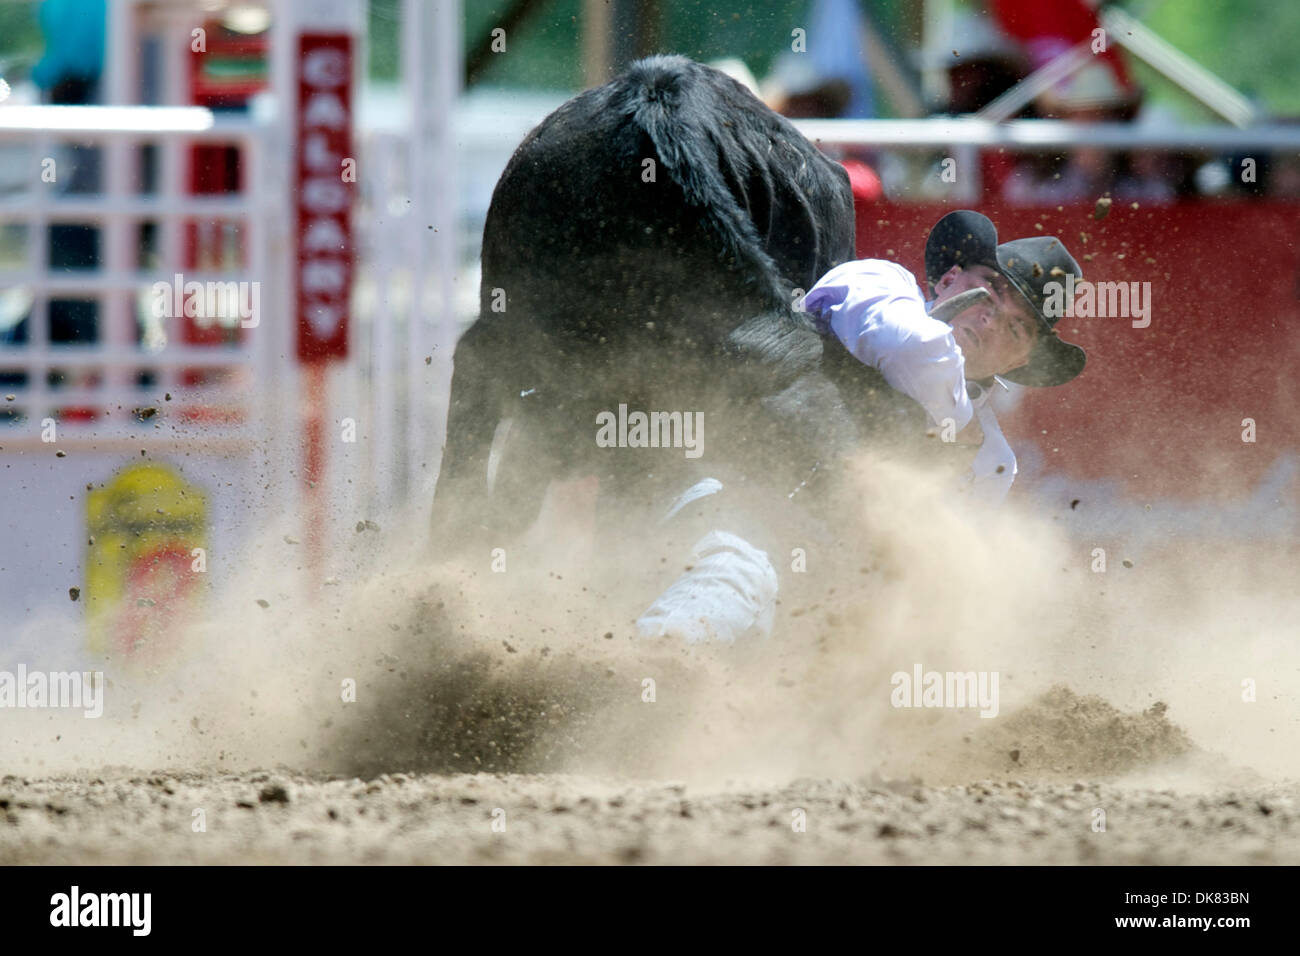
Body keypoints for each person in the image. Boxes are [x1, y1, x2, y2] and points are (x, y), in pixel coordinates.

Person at [636, 210, 1089, 645]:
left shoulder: (995, 462)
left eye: (1015, 329)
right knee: (739, 570)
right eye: (988, 291)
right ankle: (644, 671)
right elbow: (911, 345)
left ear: (1021, 363)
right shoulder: (878, 281)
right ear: (949, 278)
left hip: (814, 601)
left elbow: (936, 575)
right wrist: (963, 430)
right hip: (726, 501)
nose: (989, 318)